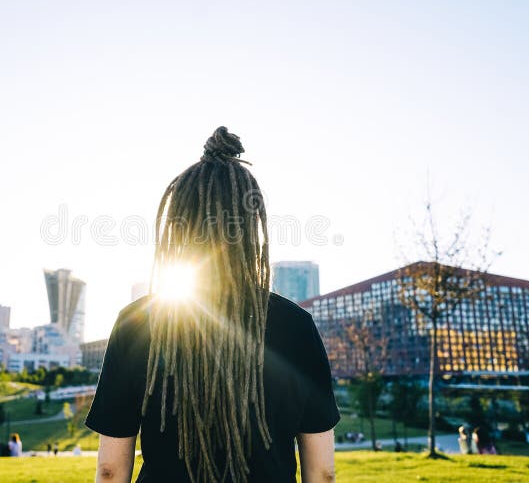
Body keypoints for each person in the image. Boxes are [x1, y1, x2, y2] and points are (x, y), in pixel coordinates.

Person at [86, 127, 341, 483]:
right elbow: (323, 472)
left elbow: (110, 470)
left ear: (179, 225)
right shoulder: (296, 325)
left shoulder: (137, 322)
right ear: (252, 226)